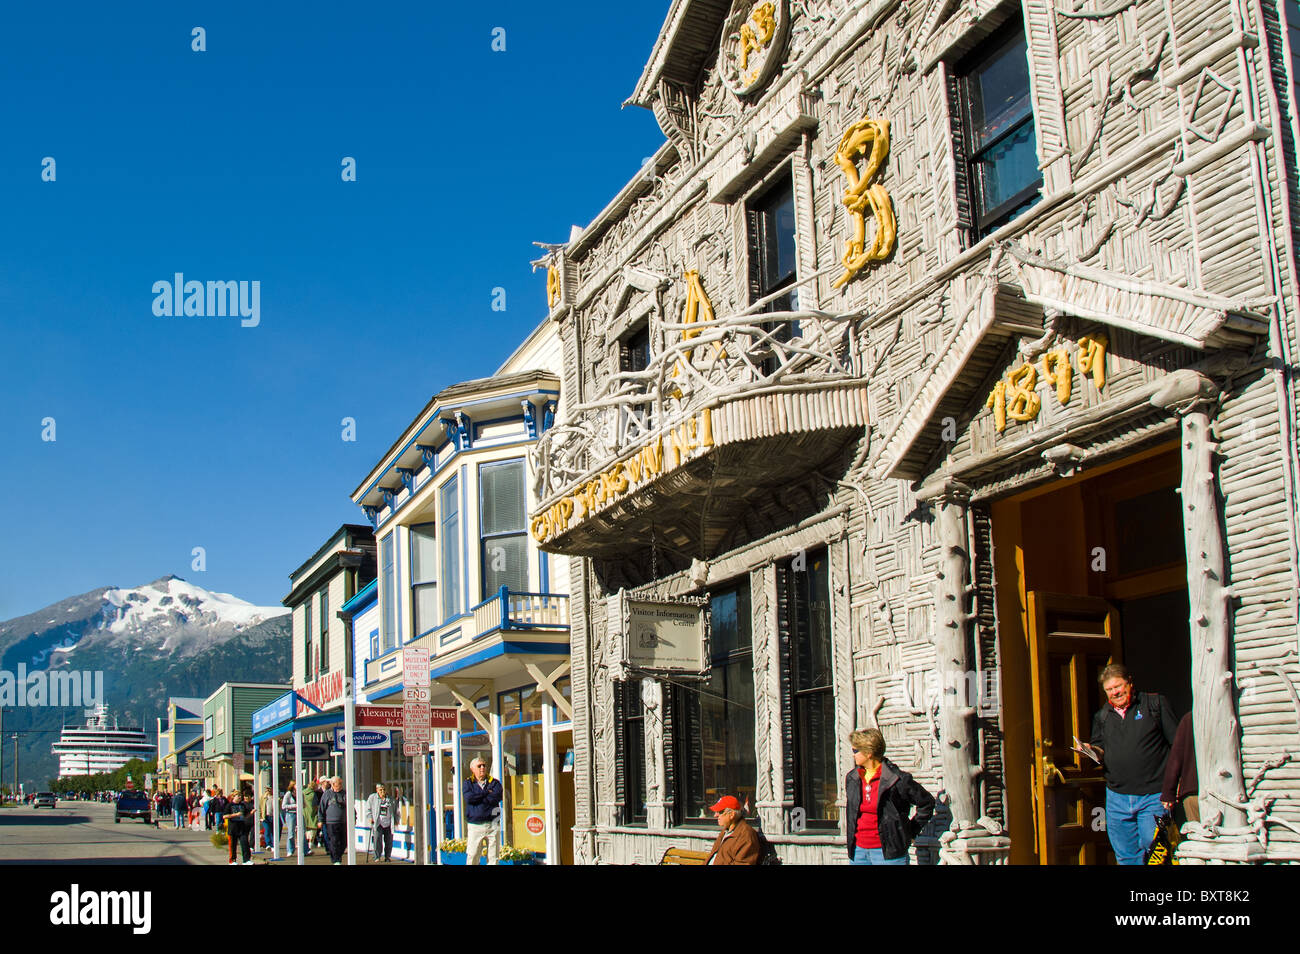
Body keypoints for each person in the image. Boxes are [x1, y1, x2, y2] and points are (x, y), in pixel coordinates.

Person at [1079, 664, 1179, 865]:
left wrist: (1173, 786)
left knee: (1156, 854)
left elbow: (1177, 745)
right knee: (1126, 856)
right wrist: (1091, 751)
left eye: (1118, 686)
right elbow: (1101, 750)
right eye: (1109, 689)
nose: (1115, 692)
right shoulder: (1103, 716)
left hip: (1153, 795)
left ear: (1130, 683)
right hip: (1118, 798)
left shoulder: (1154, 704)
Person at [844, 727, 935, 865]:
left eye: (855, 751)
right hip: (858, 852)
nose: (853, 755)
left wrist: (910, 832)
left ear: (868, 753)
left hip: (888, 854)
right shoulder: (852, 778)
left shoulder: (897, 779)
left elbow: (926, 802)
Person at [463, 757, 503, 865]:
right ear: (472, 769)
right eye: (479, 766)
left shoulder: (495, 783)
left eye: (484, 765)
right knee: (473, 855)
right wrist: (486, 793)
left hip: (493, 824)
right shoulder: (468, 783)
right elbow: (469, 798)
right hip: (475, 825)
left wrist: (479, 797)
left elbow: (497, 797)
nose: (482, 768)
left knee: (493, 857)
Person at [1162, 711, 1198, 826]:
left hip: (1193, 790)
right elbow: (1176, 757)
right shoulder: (1190, 719)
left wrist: (1168, 792)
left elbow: (1176, 757)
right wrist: (1168, 792)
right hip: (1194, 790)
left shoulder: (1189, 718)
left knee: (1199, 837)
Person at [705, 795, 761, 865]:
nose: (715, 815)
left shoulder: (746, 835)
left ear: (731, 815)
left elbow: (743, 863)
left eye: (720, 812)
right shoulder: (725, 831)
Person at [320, 776, 348, 865]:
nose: (340, 785)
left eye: (341, 783)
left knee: (343, 842)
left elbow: (350, 807)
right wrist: (320, 820)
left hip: (343, 821)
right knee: (334, 841)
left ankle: (338, 856)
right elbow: (321, 808)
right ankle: (336, 860)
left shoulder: (344, 793)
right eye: (338, 784)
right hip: (331, 822)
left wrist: (354, 817)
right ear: (332, 784)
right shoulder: (327, 794)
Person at [366, 784, 395, 862]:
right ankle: (377, 856)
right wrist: (370, 818)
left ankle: (387, 857)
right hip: (378, 822)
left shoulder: (390, 799)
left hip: (388, 822)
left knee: (389, 841)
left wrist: (396, 820)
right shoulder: (372, 798)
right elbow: (368, 809)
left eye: (384, 790)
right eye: (380, 790)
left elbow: (396, 811)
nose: (383, 791)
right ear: (377, 790)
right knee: (377, 840)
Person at [226, 790, 254, 865]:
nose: (240, 797)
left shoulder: (242, 805)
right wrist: (235, 815)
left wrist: (251, 813)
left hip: (242, 828)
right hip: (233, 828)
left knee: (245, 844)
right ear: (233, 797)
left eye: (240, 796)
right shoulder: (229, 805)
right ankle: (232, 860)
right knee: (233, 846)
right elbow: (224, 816)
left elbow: (245, 816)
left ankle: (246, 860)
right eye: (238, 796)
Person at [281, 780, 299, 856]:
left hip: (299, 814)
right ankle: (290, 850)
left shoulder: (300, 793)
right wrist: (294, 805)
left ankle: (305, 849)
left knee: (302, 831)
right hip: (290, 814)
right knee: (291, 833)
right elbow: (283, 806)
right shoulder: (288, 794)